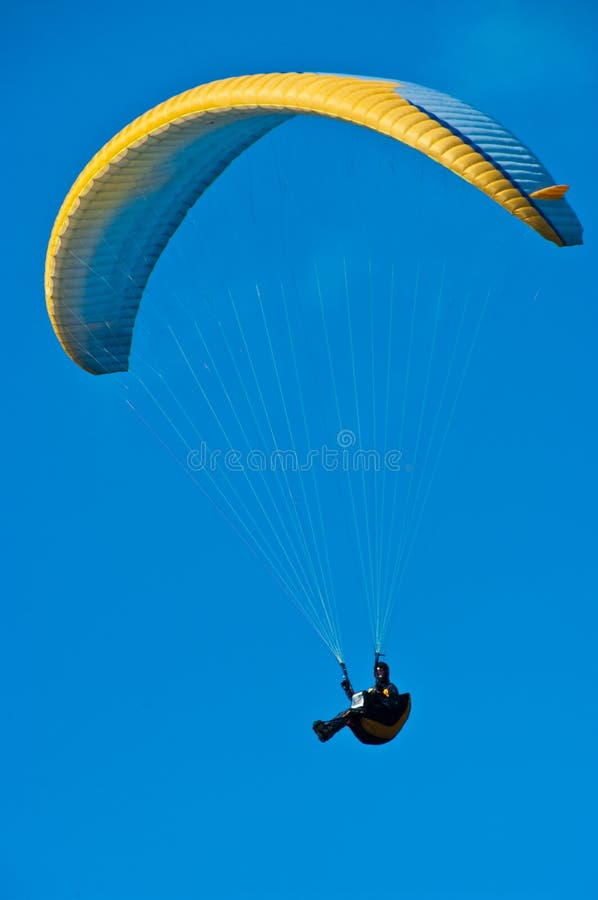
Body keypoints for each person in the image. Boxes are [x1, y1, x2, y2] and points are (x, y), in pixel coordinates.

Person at [313, 659, 411, 745]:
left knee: (363, 701)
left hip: (386, 720)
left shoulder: (390, 687)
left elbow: (393, 705)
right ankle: (326, 730)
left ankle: (328, 730)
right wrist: (348, 690)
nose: (379, 674)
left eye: (381, 671)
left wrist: (379, 694)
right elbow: (357, 703)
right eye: (377, 672)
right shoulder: (372, 690)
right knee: (350, 712)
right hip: (370, 730)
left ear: (386, 673)